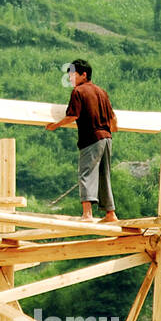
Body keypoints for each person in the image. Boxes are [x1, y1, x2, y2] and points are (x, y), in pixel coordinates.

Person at [46, 58, 119, 222]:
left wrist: (55, 125)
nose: (71, 79)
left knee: (86, 174)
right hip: (107, 138)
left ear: (83, 75)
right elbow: (113, 120)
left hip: (92, 139)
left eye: (73, 75)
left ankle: (87, 214)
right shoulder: (101, 92)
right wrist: (111, 129)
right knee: (104, 174)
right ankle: (110, 213)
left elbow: (73, 115)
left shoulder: (78, 92)